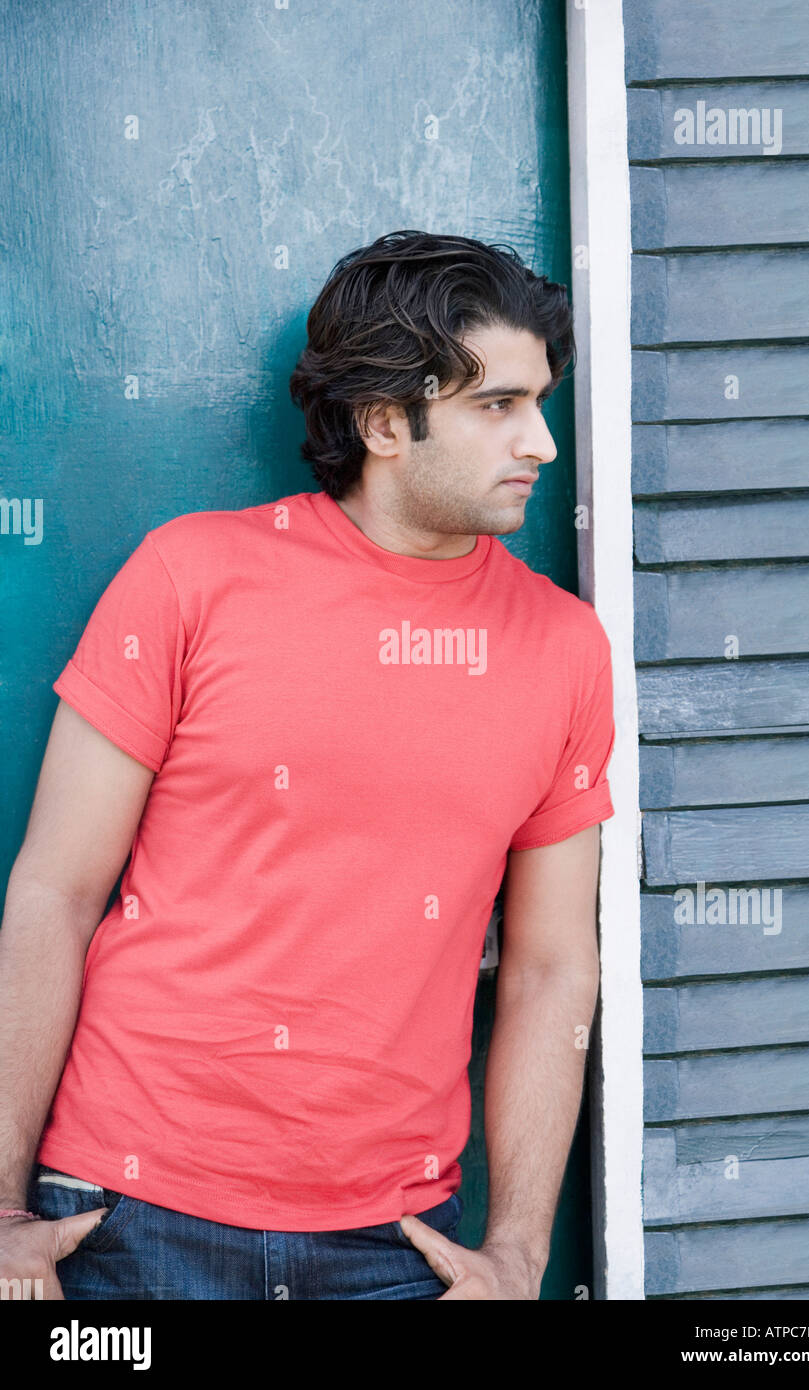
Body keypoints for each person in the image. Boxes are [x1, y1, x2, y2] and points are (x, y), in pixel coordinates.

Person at [0, 229, 615, 1300]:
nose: (541, 444)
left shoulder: (562, 647)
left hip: (393, 1243)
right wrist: (2, 1206)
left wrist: (518, 1251)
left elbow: (552, 965)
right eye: (496, 406)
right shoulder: (192, 577)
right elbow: (57, 890)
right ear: (384, 422)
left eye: (539, 401)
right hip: (121, 1216)